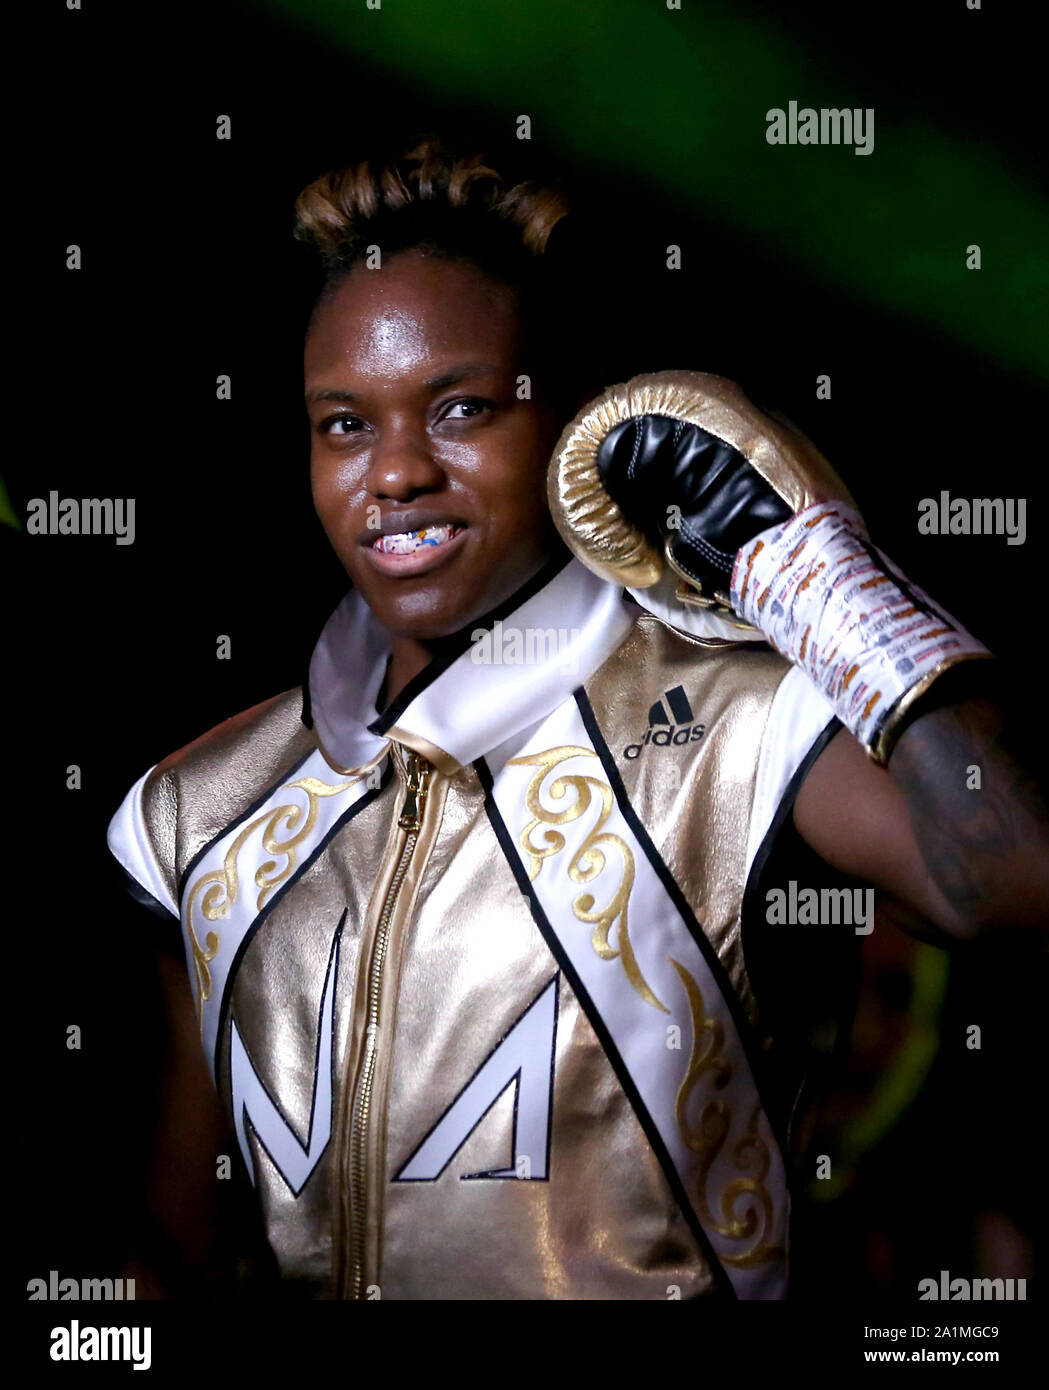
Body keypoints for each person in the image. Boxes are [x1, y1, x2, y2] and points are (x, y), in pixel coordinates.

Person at [107, 135, 1049, 1301]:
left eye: (458, 408)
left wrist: (813, 575)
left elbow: (1017, 881)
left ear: (570, 427)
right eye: (343, 422)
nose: (395, 470)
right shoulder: (197, 808)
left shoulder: (732, 723)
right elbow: (174, 1250)